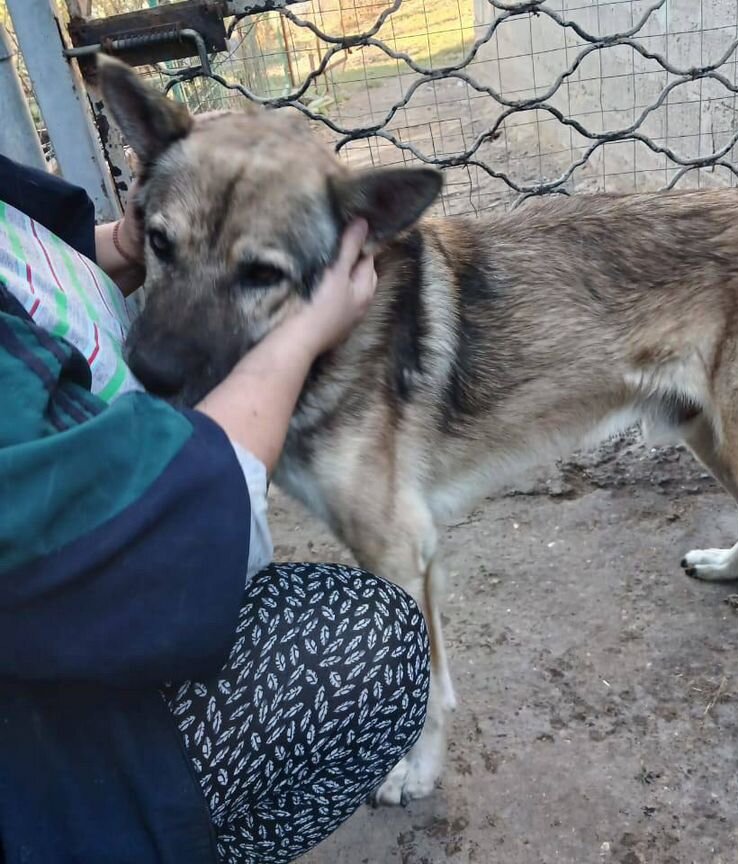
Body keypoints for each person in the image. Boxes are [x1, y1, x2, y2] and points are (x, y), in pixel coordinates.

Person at [0, 151, 430, 864]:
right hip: (42, 733)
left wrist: (124, 246)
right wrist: (302, 335)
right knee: (369, 646)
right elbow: (123, 544)